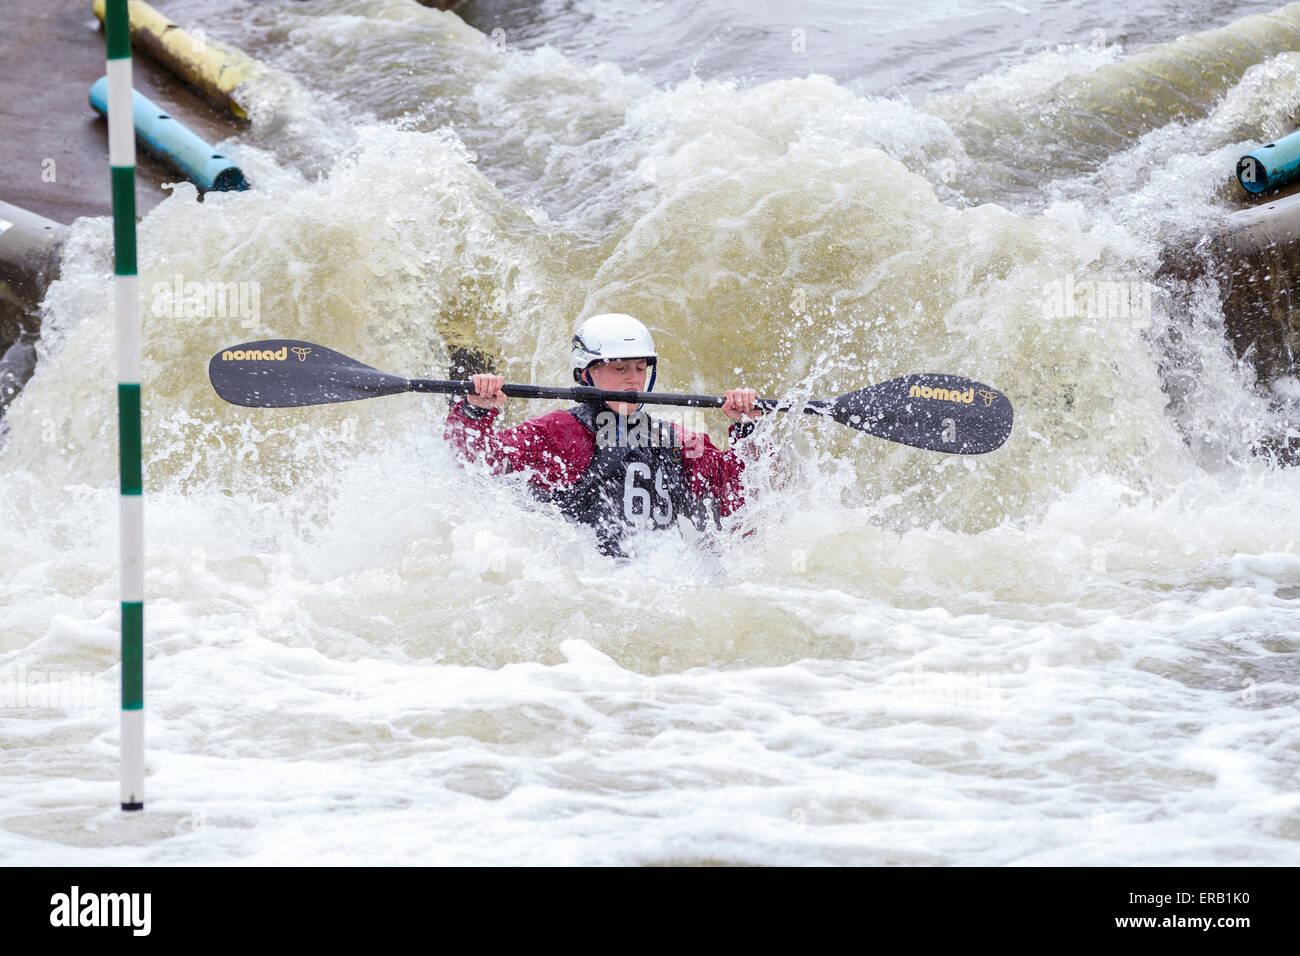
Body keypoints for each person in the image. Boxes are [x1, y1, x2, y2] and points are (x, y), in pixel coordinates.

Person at [444, 313, 765, 557]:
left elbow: (739, 495)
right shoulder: (560, 432)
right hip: (593, 584)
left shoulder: (674, 437)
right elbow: (476, 461)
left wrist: (746, 427)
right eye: (620, 369)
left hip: (662, 583)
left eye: (640, 368)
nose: (633, 381)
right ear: (587, 372)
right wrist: (476, 411)